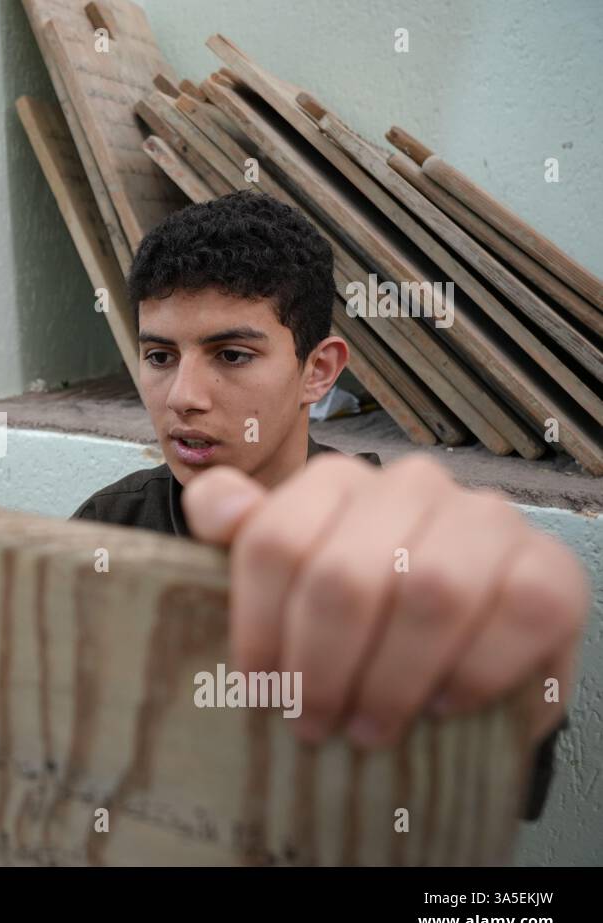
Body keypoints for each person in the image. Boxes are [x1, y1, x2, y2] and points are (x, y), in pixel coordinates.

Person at [72, 191, 586, 818]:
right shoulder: (108, 529)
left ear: (318, 372)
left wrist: (500, 666)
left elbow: (505, 791)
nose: (183, 396)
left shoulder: (397, 550)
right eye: (160, 356)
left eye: (232, 355)